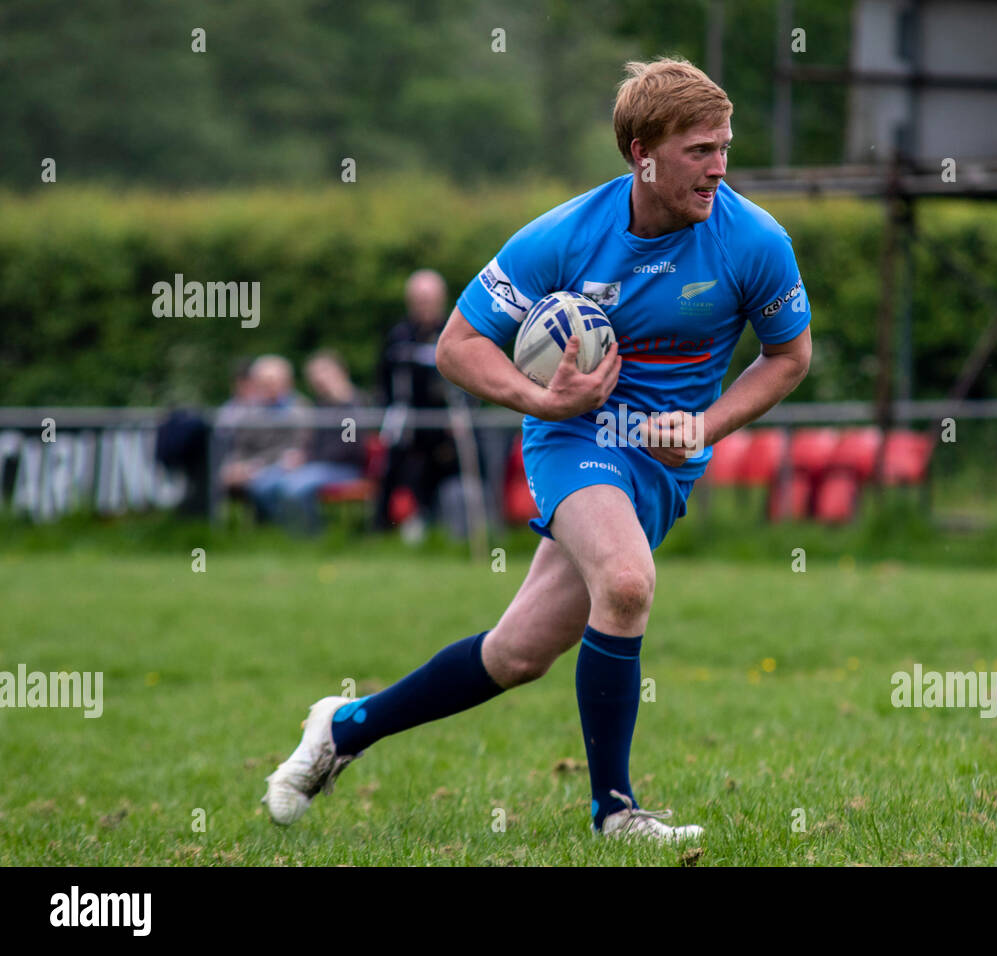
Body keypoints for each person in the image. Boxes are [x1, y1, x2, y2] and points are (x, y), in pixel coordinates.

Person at [264, 58, 812, 840]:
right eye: (699, 151)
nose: (719, 168)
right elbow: (458, 346)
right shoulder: (563, 237)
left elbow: (790, 356)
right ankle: (614, 812)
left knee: (517, 654)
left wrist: (708, 424)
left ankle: (343, 729)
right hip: (575, 436)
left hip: (663, 464)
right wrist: (540, 399)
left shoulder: (753, 240)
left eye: (725, 147)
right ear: (641, 154)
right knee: (625, 583)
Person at [374, 269, 461, 529]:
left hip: (443, 424)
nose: (424, 306)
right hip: (406, 422)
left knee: (444, 473)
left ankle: (443, 529)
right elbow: (382, 376)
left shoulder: (453, 331)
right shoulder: (398, 335)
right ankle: (380, 530)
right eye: (419, 300)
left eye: (429, 300)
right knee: (392, 473)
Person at [269, 350, 369, 533]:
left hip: (345, 468)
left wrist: (344, 404)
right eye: (314, 375)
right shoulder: (322, 404)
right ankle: (290, 535)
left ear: (342, 372)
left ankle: (311, 537)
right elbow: (312, 442)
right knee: (276, 483)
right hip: (319, 465)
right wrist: (302, 457)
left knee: (292, 488)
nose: (319, 379)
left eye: (324, 372)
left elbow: (351, 445)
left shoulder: (355, 404)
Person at [218, 355, 311, 522]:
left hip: (287, 466)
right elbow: (241, 446)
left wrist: (256, 466)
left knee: (264, 485)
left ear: (287, 382)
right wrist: (236, 465)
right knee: (220, 477)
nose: (269, 387)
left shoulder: (299, 409)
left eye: (272, 381)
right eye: (263, 382)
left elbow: (297, 448)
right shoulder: (249, 411)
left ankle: (280, 529)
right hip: (255, 466)